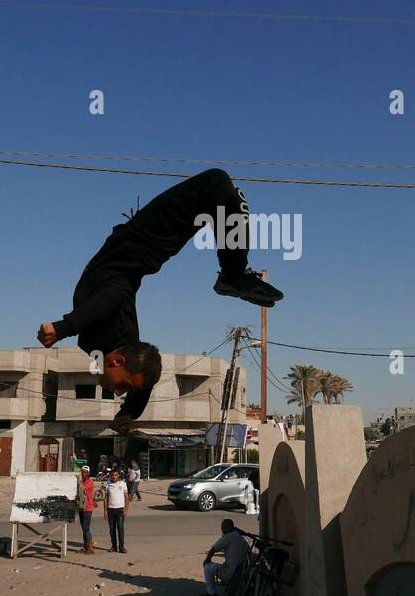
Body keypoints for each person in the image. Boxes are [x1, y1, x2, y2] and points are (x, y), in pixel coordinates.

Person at [37, 169, 284, 435]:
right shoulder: (116, 337)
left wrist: (127, 412)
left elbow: (142, 381)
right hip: (144, 240)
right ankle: (233, 274)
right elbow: (115, 295)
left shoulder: (99, 354)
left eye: (125, 389)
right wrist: (63, 328)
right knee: (216, 184)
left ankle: (233, 273)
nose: (118, 392)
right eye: (125, 388)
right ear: (118, 361)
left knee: (216, 193)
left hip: (145, 245)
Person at [202, 519, 250, 596]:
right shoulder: (239, 537)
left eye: (224, 528)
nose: (222, 530)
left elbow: (213, 549)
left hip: (232, 574)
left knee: (207, 566)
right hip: (244, 573)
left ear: (228, 528)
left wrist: (207, 559)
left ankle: (211, 594)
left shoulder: (228, 536)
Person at [104, 468, 129, 553]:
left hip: (120, 510)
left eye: (115, 475)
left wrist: (126, 509)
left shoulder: (123, 484)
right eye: (112, 475)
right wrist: (105, 512)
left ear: (118, 475)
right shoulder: (108, 484)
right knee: (112, 529)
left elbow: (126, 498)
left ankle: (121, 547)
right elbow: (106, 498)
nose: (113, 477)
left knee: (120, 528)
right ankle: (114, 546)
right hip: (110, 510)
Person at [76, 467, 96, 554]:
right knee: (84, 528)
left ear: (88, 473)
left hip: (88, 508)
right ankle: (85, 546)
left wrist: (77, 480)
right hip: (81, 507)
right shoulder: (82, 481)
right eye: (82, 472)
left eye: (85, 472)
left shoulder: (89, 482)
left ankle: (90, 548)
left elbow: (81, 488)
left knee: (86, 528)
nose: (83, 474)